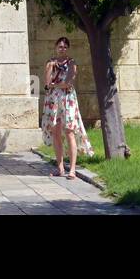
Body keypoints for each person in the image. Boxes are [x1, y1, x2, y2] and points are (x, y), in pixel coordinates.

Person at [42, 36, 86, 178]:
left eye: (65, 47)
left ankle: (72, 170)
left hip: (68, 98)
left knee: (69, 131)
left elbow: (68, 82)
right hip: (53, 99)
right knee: (55, 132)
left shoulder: (72, 62)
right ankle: (60, 168)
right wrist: (54, 76)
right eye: (60, 46)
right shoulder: (50, 62)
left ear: (68, 48)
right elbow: (48, 83)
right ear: (56, 47)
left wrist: (57, 85)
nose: (62, 49)